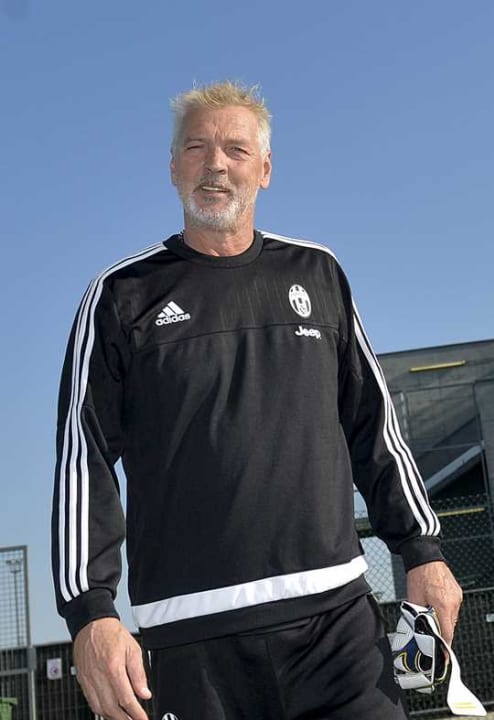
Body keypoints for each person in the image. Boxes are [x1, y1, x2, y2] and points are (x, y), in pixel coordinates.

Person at [51, 80, 463, 720]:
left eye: (236, 150)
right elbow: (85, 459)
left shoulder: (317, 273)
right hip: (192, 643)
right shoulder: (120, 296)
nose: (216, 164)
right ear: (172, 167)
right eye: (197, 147)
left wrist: (422, 553)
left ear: (264, 169)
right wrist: (90, 615)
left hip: (337, 628)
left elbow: (374, 427)